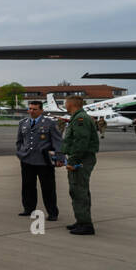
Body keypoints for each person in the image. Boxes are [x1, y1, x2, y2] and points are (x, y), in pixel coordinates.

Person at [15, 99, 60, 222]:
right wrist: (20, 153)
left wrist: (59, 158)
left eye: (34, 109)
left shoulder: (49, 123)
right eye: (30, 109)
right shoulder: (23, 123)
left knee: (48, 188)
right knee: (27, 186)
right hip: (27, 160)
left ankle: (52, 213)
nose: (31, 111)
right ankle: (28, 209)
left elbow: (57, 141)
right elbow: (19, 141)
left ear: (41, 110)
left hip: (44, 161)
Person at [61, 96, 100, 235]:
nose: (65, 105)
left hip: (81, 158)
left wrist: (73, 160)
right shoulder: (78, 117)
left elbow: (81, 142)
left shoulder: (80, 119)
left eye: (66, 103)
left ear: (71, 104)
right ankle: (81, 220)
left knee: (79, 191)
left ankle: (85, 224)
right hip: (81, 157)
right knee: (78, 190)